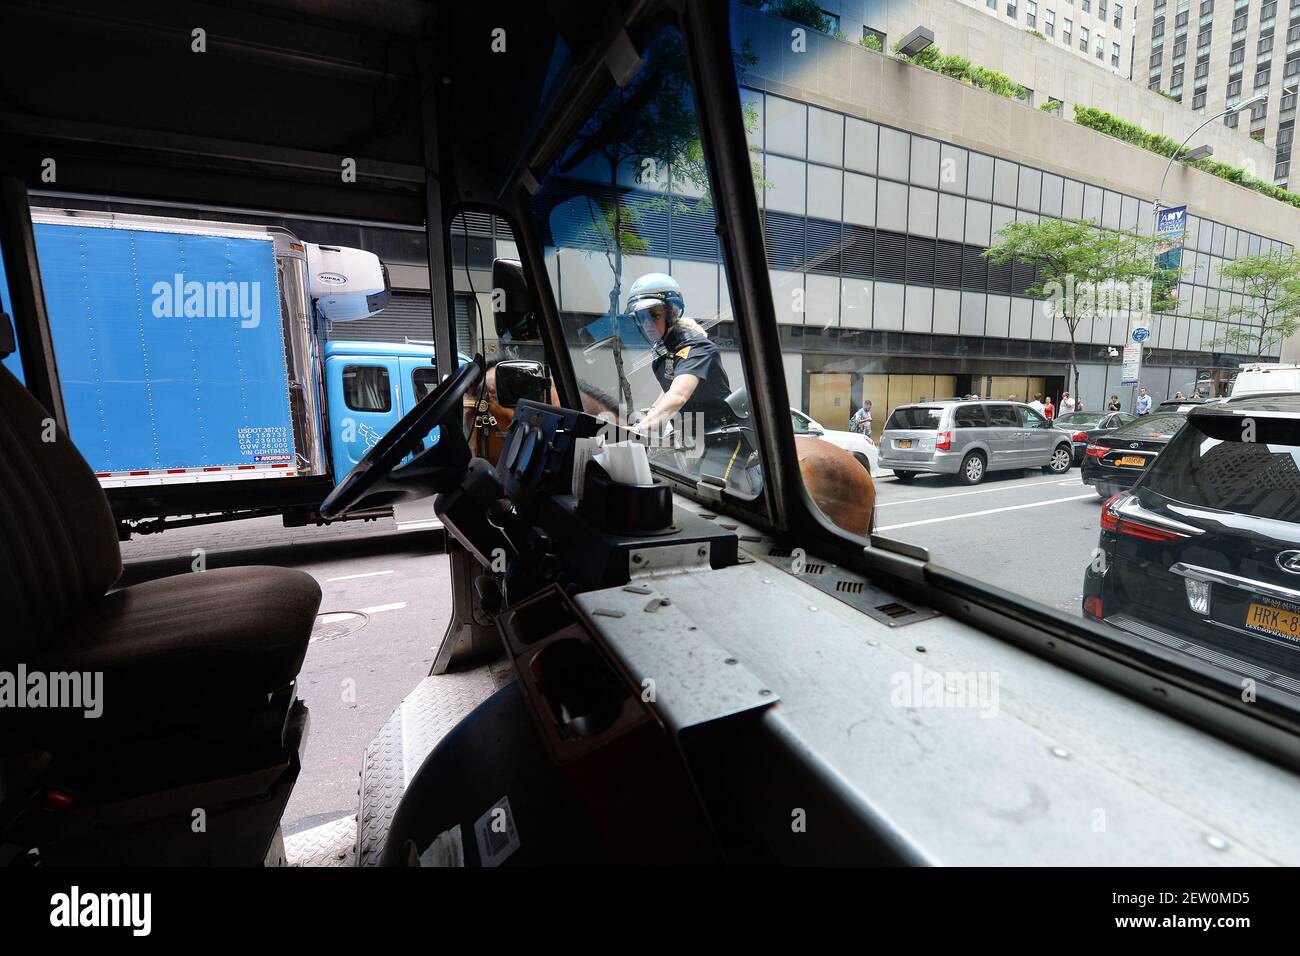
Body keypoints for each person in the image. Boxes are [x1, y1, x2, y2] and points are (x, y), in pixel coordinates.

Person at [629, 273, 733, 433]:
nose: (646, 324)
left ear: (674, 313)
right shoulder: (665, 350)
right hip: (693, 435)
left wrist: (639, 428)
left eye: (654, 316)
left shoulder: (696, 348)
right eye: (641, 317)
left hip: (724, 433)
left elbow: (678, 395)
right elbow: (669, 390)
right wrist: (646, 420)